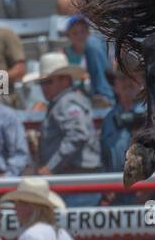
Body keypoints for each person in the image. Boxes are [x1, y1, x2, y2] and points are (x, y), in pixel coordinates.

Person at [27, 52, 102, 190]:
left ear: (65, 80)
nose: (44, 87)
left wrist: (51, 167)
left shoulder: (66, 102)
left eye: (48, 82)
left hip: (77, 177)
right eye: (42, 83)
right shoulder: (63, 102)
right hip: (74, 176)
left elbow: (77, 135)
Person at [100, 65, 144, 174]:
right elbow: (104, 157)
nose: (128, 82)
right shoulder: (108, 119)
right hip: (115, 184)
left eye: (132, 78)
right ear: (114, 86)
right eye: (122, 78)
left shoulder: (153, 116)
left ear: (142, 83)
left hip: (146, 185)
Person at [63, 16, 114, 105]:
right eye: (75, 33)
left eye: (82, 32)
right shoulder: (65, 55)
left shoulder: (95, 49)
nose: (79, 36)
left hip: (93, 92)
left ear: (88, 33)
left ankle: (104, 97)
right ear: (68, 35)